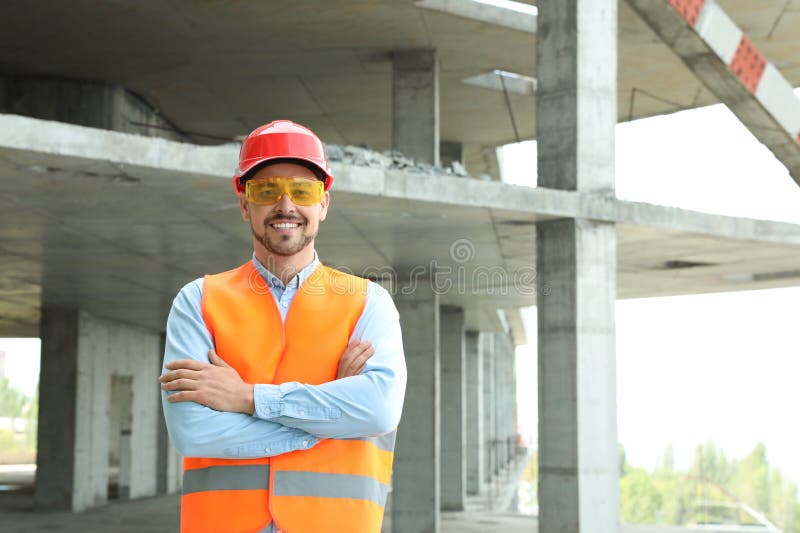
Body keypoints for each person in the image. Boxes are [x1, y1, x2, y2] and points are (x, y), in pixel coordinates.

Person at [159, 120, 406, 533]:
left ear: (323, 204)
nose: (285, 205)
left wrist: (247, 397)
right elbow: (194, 431)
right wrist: (328, 422)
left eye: (303, 190)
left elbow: (378, 409)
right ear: (245, 205)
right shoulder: (198, 301)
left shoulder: (369, 303)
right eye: (267, 190)